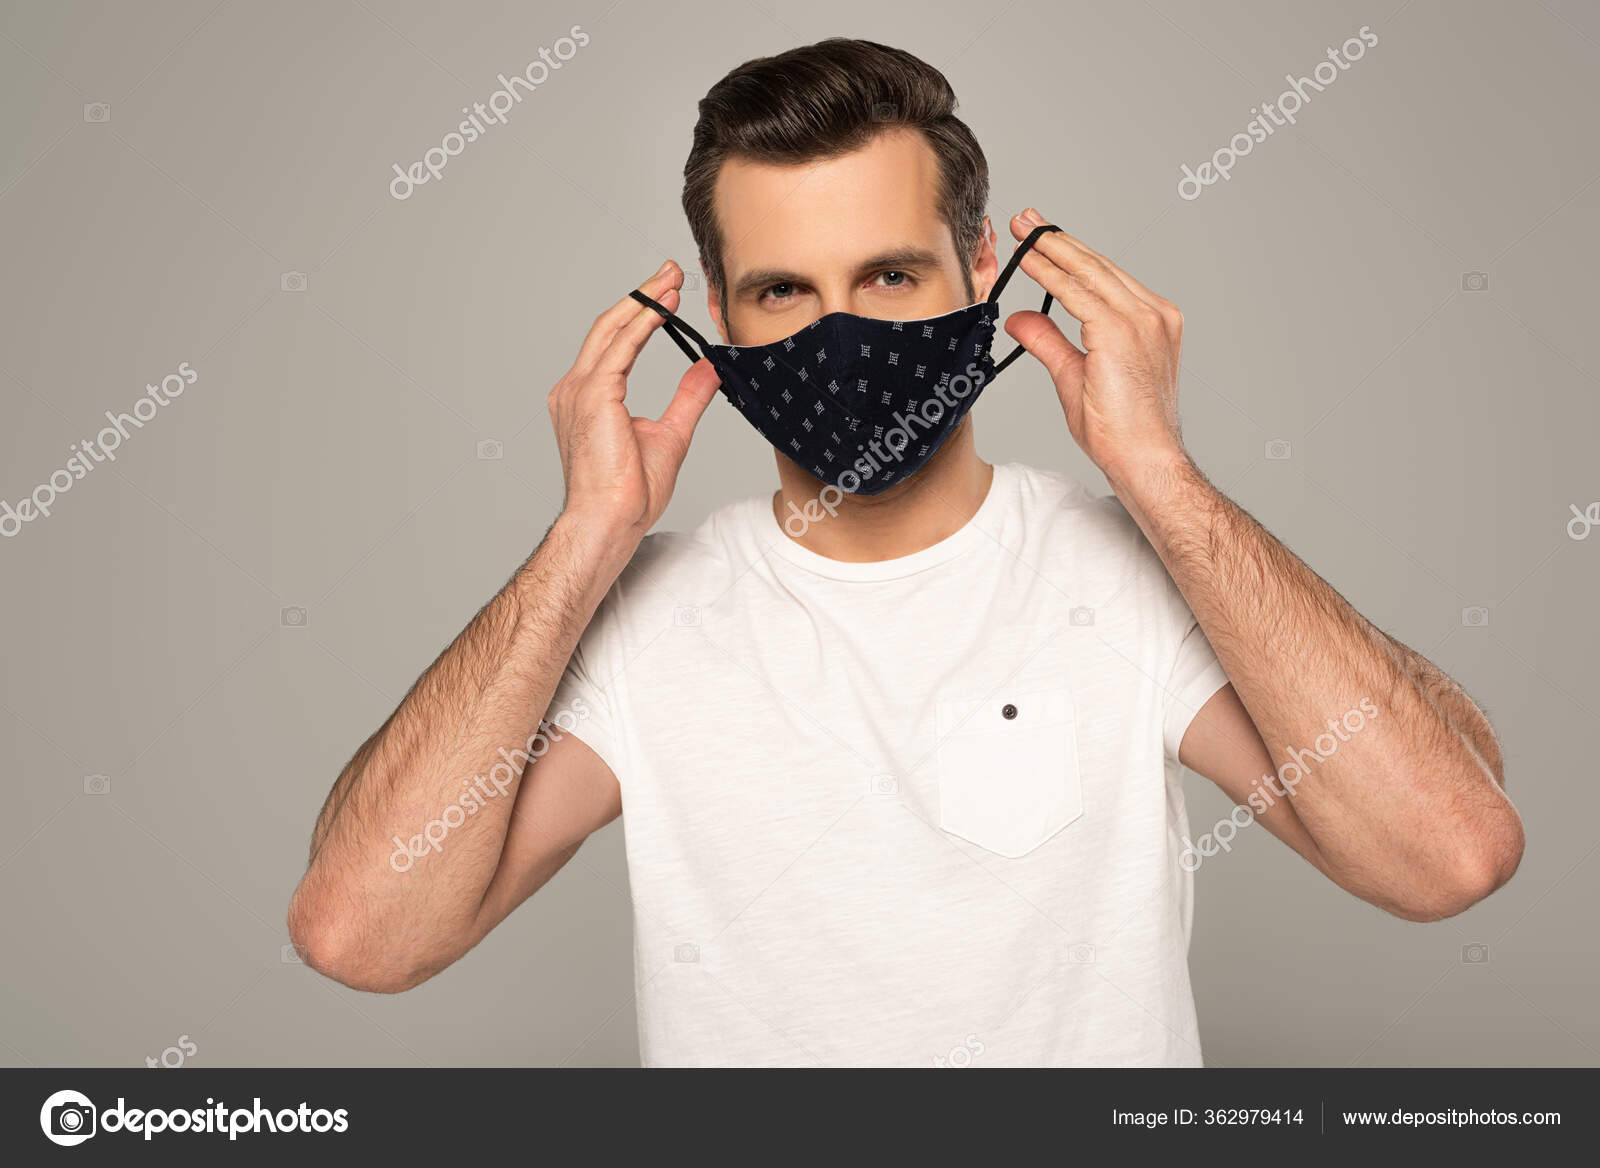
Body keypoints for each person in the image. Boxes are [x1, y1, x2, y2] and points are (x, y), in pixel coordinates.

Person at [288, 38, 1523, 1067]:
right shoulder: (640, 619)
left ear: (981, 271)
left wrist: (1160, 481)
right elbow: (361, 936)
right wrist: (581, 541)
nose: (840, 333)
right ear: (716, 321)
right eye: (781, 291)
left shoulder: (1132, 578)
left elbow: (1447, 854)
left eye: (888, 273)